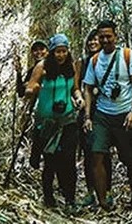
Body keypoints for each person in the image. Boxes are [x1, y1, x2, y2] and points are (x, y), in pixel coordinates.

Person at [82, 20, 132, 210]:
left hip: (124, 115)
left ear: (115, 36)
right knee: (97, 155)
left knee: (130, 160)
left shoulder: (127, 55)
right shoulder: (94, 60)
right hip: (102, 115)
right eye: (102, 36)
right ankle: (103, 201)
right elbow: (88, 88)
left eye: (109, 36)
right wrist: (88, 117)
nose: (105, 39)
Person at [25, 33, 85, 210]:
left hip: (67, 119)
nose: (60, 55)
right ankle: (48, 197)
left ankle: (70, 199)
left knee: (68, 161)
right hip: (47, 122)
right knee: (50, 161)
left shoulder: (72, 67)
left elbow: (75, 88)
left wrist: (79, 98)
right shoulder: (42, 66)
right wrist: (32, 89)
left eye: (63, 51)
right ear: (51, 52)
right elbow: (31, 86)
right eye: (57, 52)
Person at [78, 28, 112, 207]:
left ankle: (107, 191)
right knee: (88, 152)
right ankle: (91, 191)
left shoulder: (110, 60)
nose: (92, 43)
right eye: (89, 41)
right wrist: (80, 99)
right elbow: (76, 86)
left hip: (106, 112)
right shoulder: (83, 62)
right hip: (86, 112)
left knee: (103, 153)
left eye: (95, 40)